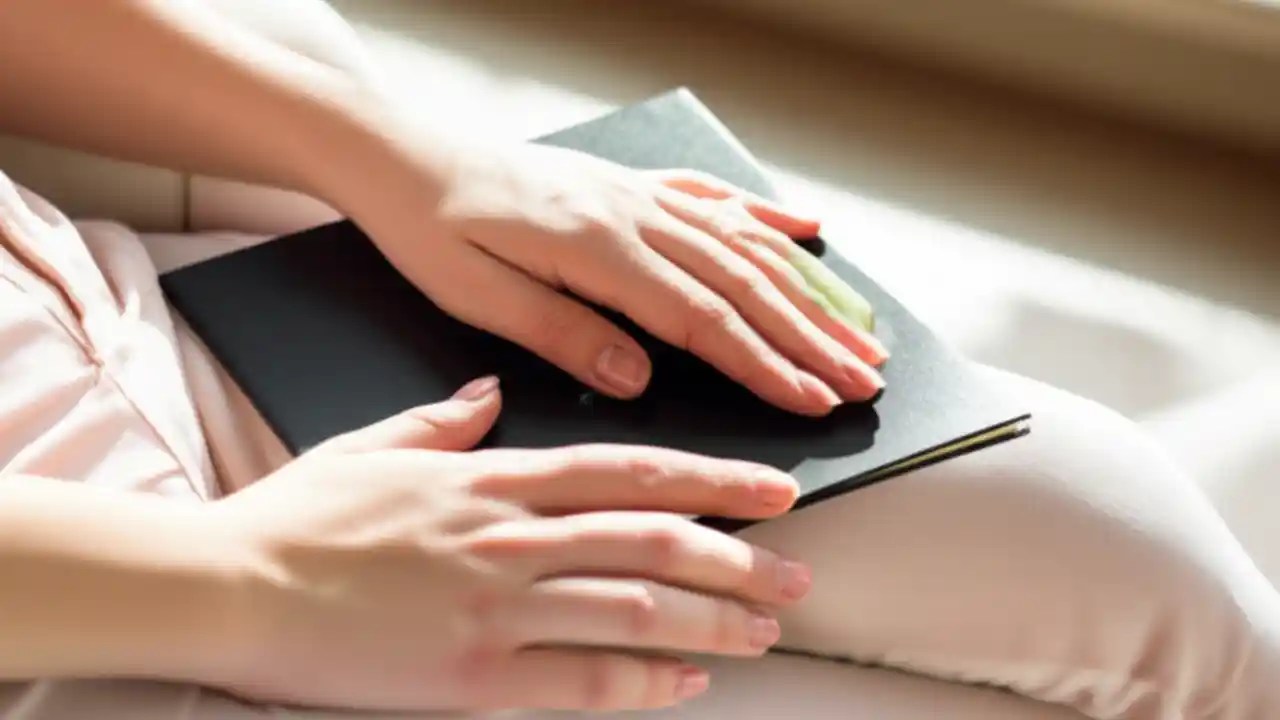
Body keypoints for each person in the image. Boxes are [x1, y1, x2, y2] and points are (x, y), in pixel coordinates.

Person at [0, 1, 1276, 719]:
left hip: (109, 311)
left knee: (1122, 539)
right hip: (87, 626)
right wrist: (247, 578)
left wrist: (402, 158)